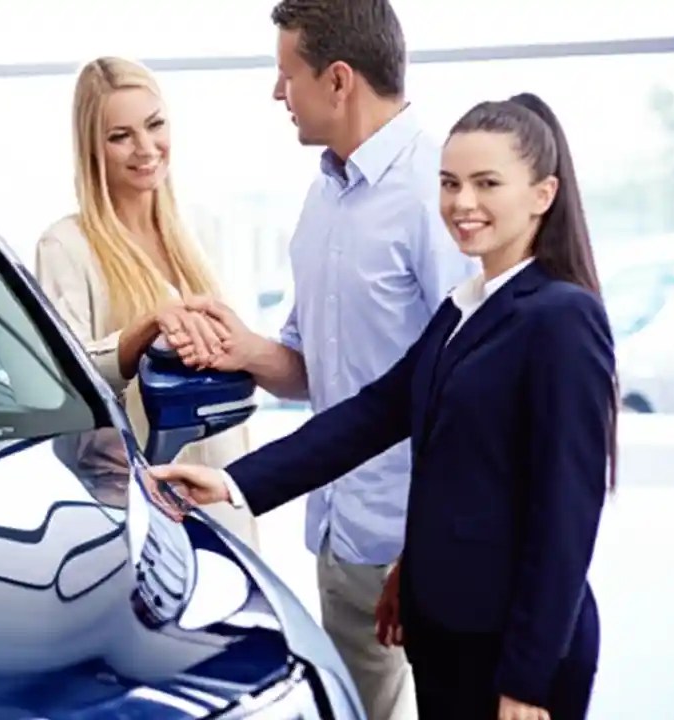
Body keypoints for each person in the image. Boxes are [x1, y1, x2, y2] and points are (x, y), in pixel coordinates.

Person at [152, 91, 616, 720]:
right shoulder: (464, 304)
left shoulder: (562, 318)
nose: (462, 203)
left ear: (543, 194)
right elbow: (375, 414)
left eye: (487, 183)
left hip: (512, 651)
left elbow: (566, 514)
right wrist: (233, 482)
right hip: (448, 633)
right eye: (449, 183)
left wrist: (527, 680)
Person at [169, 2, 477, 717]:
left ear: (338, 81)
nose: (278, 94)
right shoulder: (324, 198)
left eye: (288, 76)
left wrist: (426, 545)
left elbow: (464, 391)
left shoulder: (440, 193)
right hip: (339, 534)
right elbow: (319, 368)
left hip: (415, 548)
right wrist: (245, 348)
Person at [32, 56, 260, 548]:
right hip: (139, 512)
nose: (146, 148)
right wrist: (143, 331)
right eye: (120, 136)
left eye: (154, 125)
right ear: (93, 148)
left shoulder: (203, 231)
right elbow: (62, 386)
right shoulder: (66, 246)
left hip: (225, 500)